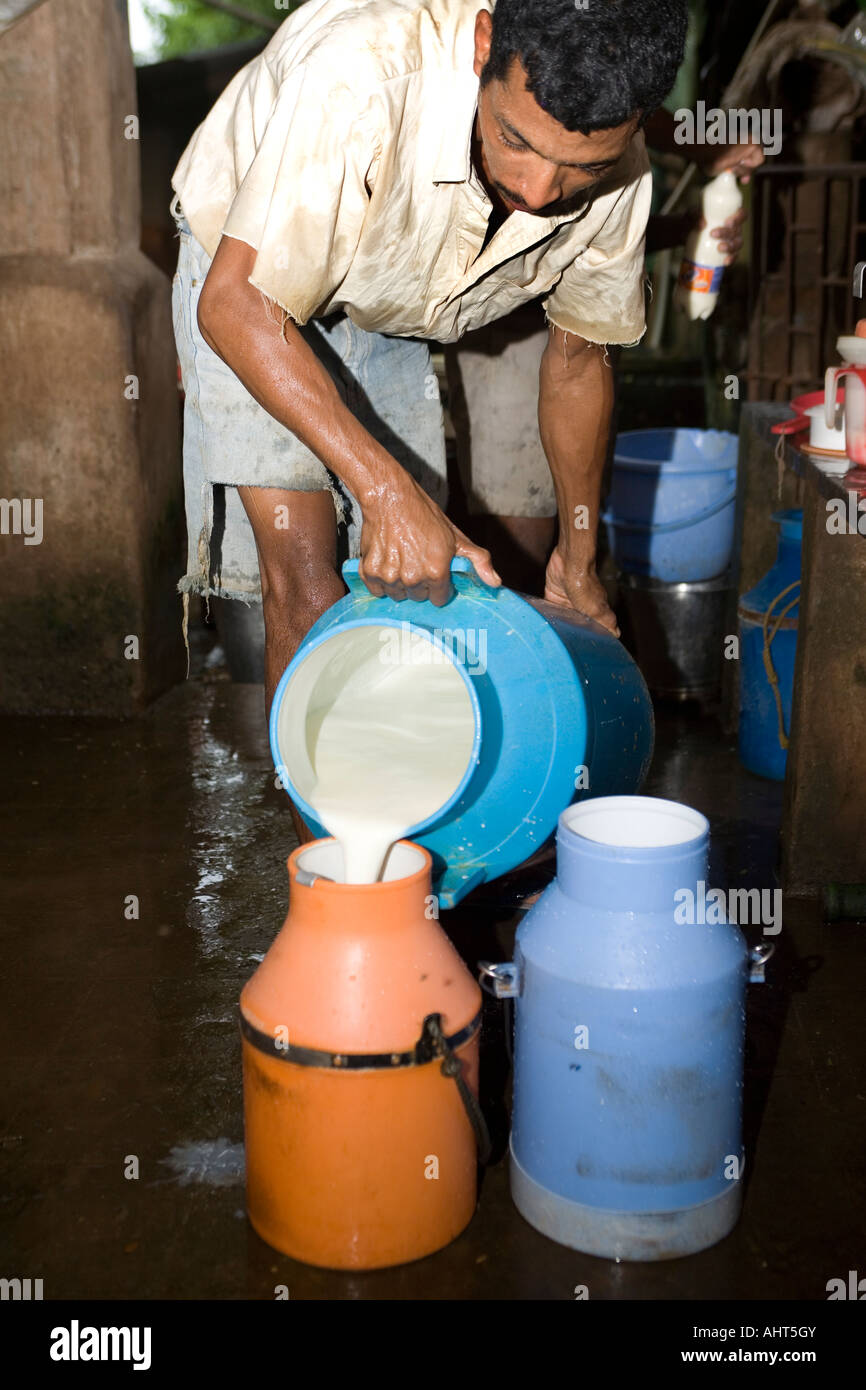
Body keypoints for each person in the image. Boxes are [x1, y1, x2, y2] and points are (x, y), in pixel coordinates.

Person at [171, 0, 688, 837]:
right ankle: (342, 884)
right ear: (485, 45)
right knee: (308, 579)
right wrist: (385, 488)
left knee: (414, 582)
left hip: (387, 285)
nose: (534, 192)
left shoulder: (623, 173)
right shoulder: (362, 75)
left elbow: (580, 357)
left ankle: (427, 822)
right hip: (248, 273)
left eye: (577, 170)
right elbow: (235, 307)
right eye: (516, 140)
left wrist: (581, 558)